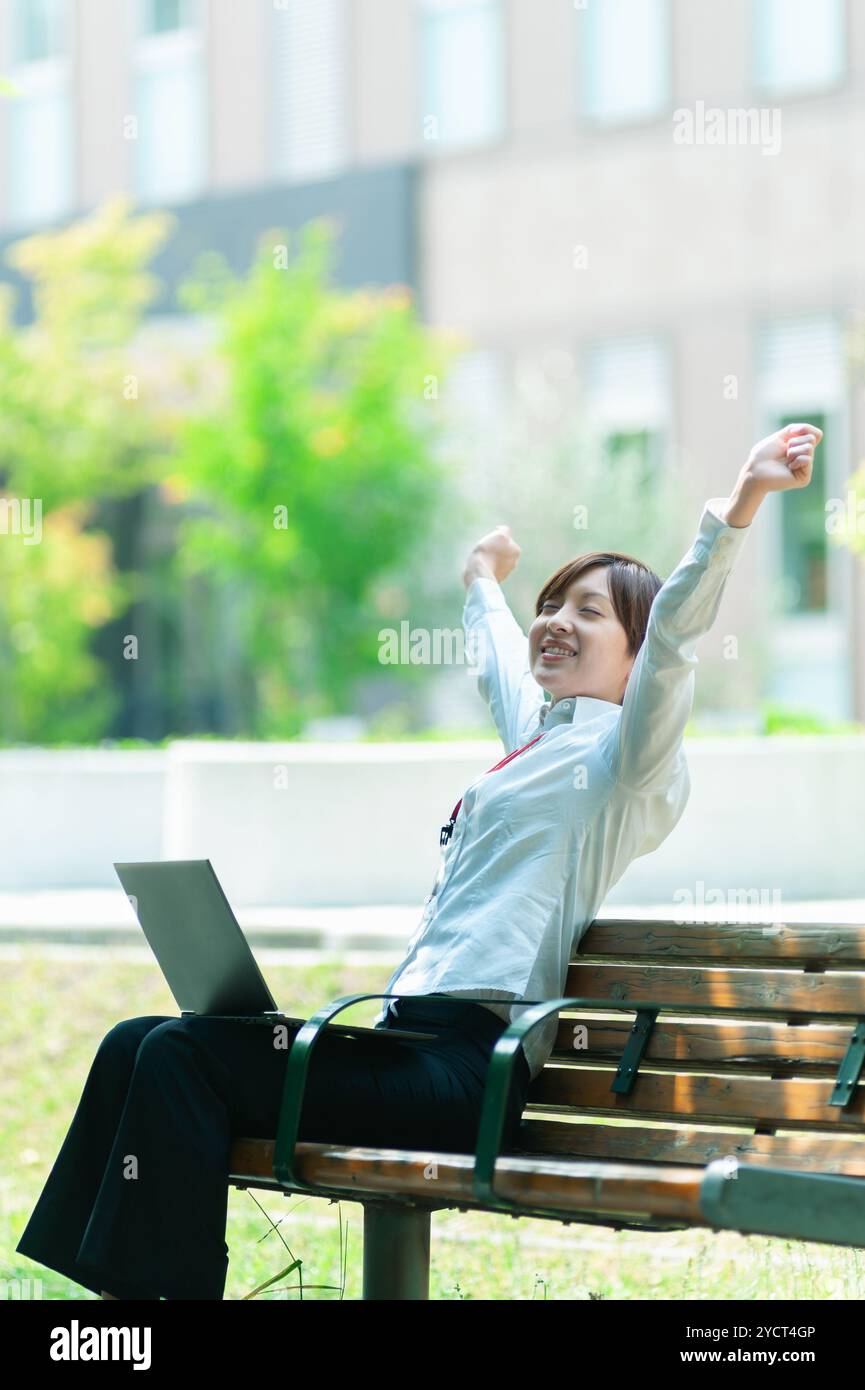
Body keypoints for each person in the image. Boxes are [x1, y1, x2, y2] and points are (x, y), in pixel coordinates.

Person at [15, 422, 821, 1300]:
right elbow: (498, 672)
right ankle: (111, 1307)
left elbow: (672, 637)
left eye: (590, 612)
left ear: (634, 665)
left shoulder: (625, 767)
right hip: (405, 1047)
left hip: (467, 1072)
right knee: (134, 1041)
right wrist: (481, 584)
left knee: (179, 1056)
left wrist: (737, 505)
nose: (556, 621)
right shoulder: (541, 745)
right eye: (553, 604)